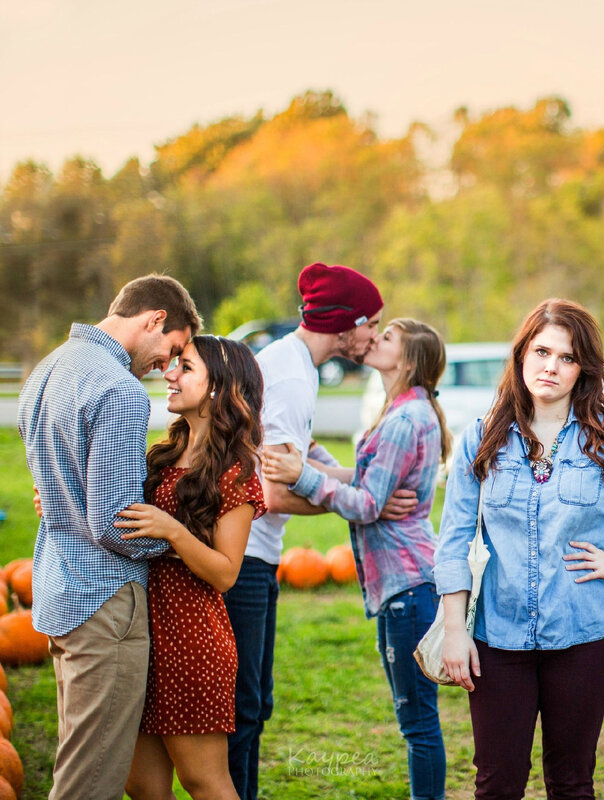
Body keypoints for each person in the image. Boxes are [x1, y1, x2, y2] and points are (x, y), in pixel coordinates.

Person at [435, 298, 604, 800]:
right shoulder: (481, 437)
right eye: (541, 352)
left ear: (583, 369)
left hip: (584, 635)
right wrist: (455, 631)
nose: (550, 367)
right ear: (521, 356)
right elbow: (453, 538)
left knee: (571, 782)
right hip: (498, 638)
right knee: (496, 784)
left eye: (566, 357)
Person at [17, 274, 200, 800]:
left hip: (57, 587)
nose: (166, 366)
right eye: (173, 350)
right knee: (89, 781)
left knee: (77, 758)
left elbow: (52, 489)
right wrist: (179, 543)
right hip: (104, 600)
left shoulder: (47, 370)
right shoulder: (118, 388)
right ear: (155, 319)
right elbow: (114, 522)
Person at [261, 318, 451, 800]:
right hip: (401, 587)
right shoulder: (402, 411)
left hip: (408, 586)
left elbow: (367, 504)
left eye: (387, 338)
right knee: (414, 718)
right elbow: (366, 476)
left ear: (406, 361)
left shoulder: (406, 420)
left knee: (418, 723)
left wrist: (302, 475)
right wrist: (301, 448)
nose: (374, 339)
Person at [225, 261, 393, 800]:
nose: (372, 334)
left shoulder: (287, 361)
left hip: (254, 551)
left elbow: (299, 452)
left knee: (254, 704)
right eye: (370, 322)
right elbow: (275, 492)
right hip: (244, 555)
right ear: (344, 325)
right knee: (244, 709)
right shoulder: (294, 376)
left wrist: (354, 474)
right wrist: (363, 503)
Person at [116, 336, 267, 800]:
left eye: (186, 367)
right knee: (143, 788)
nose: (170, 374)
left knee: (204, 782)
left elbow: (226, 573)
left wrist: (173, 531)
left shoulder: (236, 471)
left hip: (191, 641)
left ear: (220, 387)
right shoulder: (162, 455)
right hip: (139, 634)